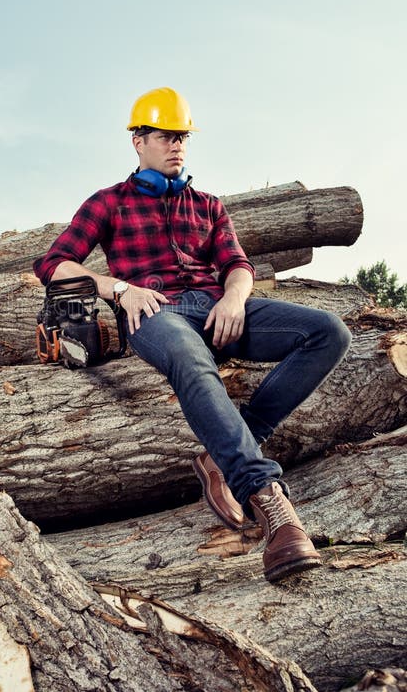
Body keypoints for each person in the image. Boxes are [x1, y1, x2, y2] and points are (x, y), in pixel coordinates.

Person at [34, 86, 351, 583]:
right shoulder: (109, 203)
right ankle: (269, 502)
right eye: (165, 136)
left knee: (328, 332)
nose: (177, 145)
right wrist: (119, 290)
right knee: (191, 359)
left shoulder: (207, 204)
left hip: (214, 305)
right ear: (138, 142)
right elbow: (52, 264)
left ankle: (223, 451)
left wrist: (234, 297)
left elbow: (237, 265)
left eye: (182, 137)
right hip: (153, 312)